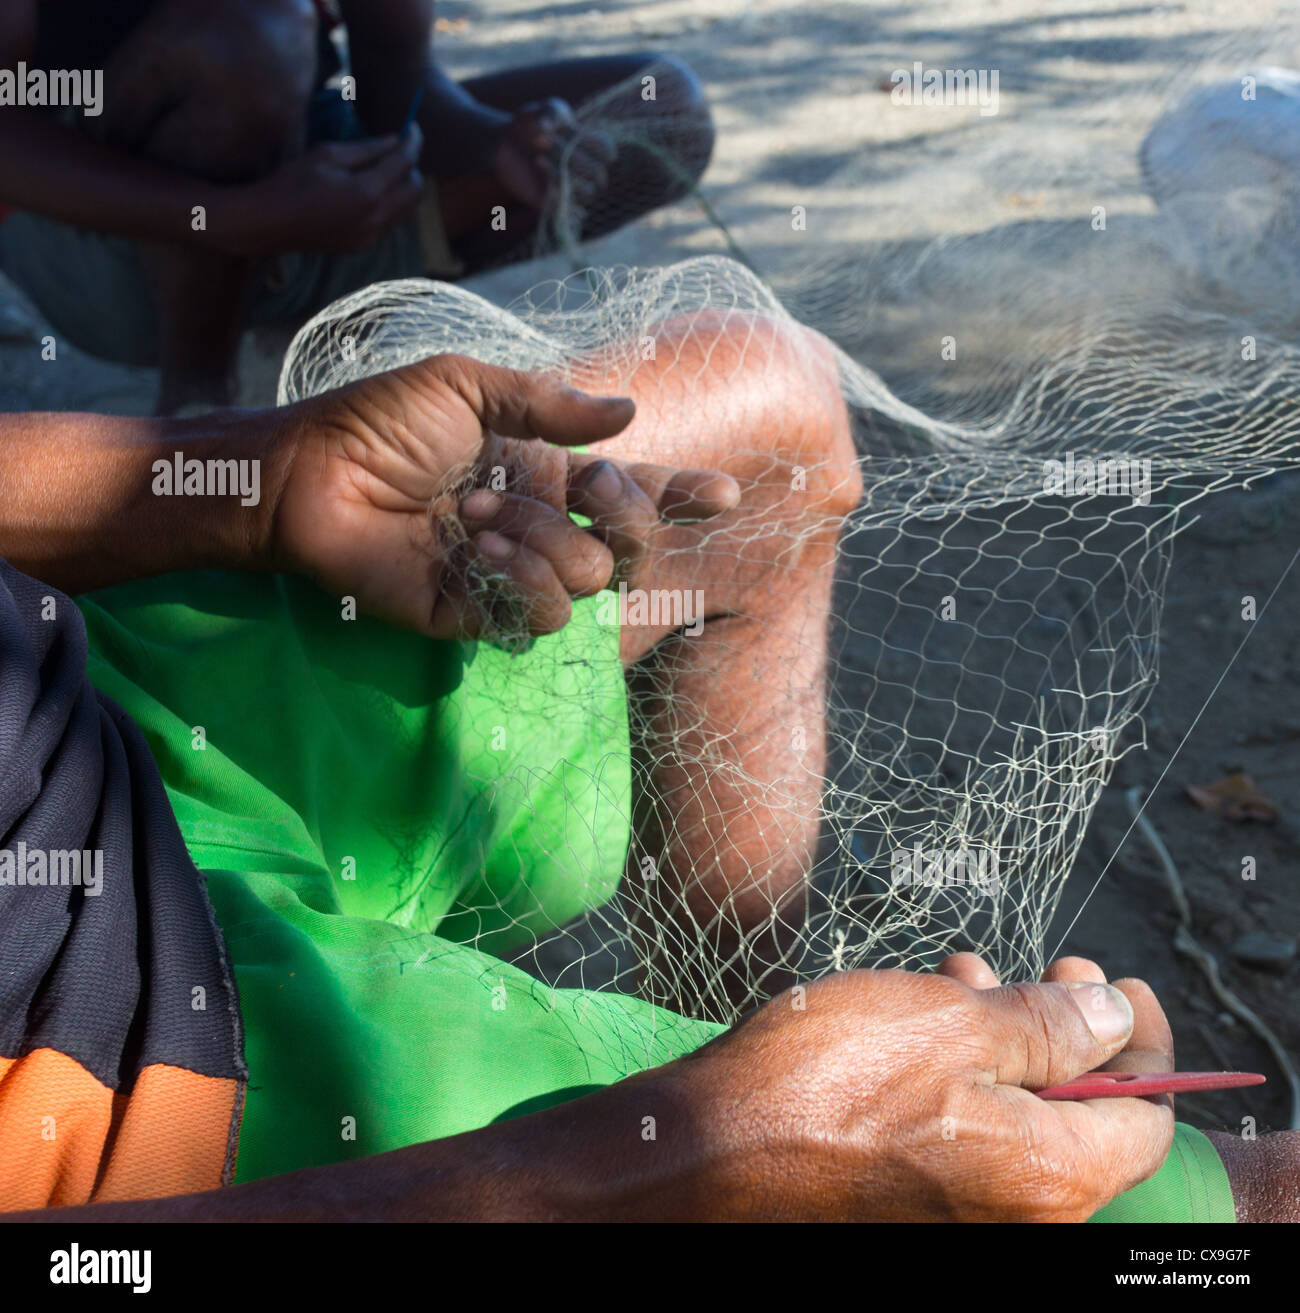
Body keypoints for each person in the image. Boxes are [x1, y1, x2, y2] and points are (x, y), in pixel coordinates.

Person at [0, 308, 1294, 1221]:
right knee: (1215, 1203)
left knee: (764, 406)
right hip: (113, 1074)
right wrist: (642, 1172)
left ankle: (736, 1035)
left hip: (86, 696)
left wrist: (252, 484)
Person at [0, 0, 713, 413]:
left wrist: (505, 144)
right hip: (102, 253)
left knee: (664, 114)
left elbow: (403, 99)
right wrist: (227, 218)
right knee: (247, 40)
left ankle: (317, 329)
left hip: (301, 208)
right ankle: (198, 404)